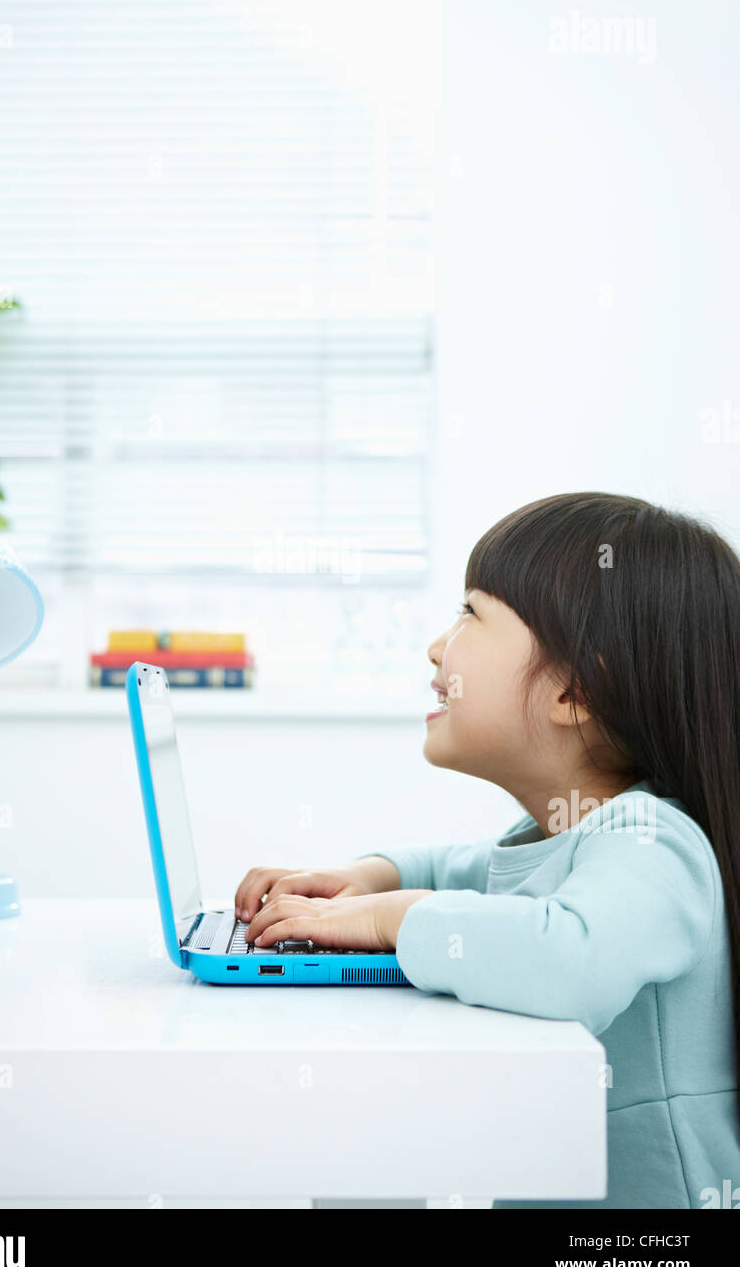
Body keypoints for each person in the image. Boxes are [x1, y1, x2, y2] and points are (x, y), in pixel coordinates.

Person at [234, 492, 740, 1208]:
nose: (438, 647)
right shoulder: (565, 837)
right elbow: (459, 869)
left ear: (576, 688)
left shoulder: (654, 844)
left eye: (470, 614)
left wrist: (391, 918)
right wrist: (363, 877)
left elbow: (572, 958)